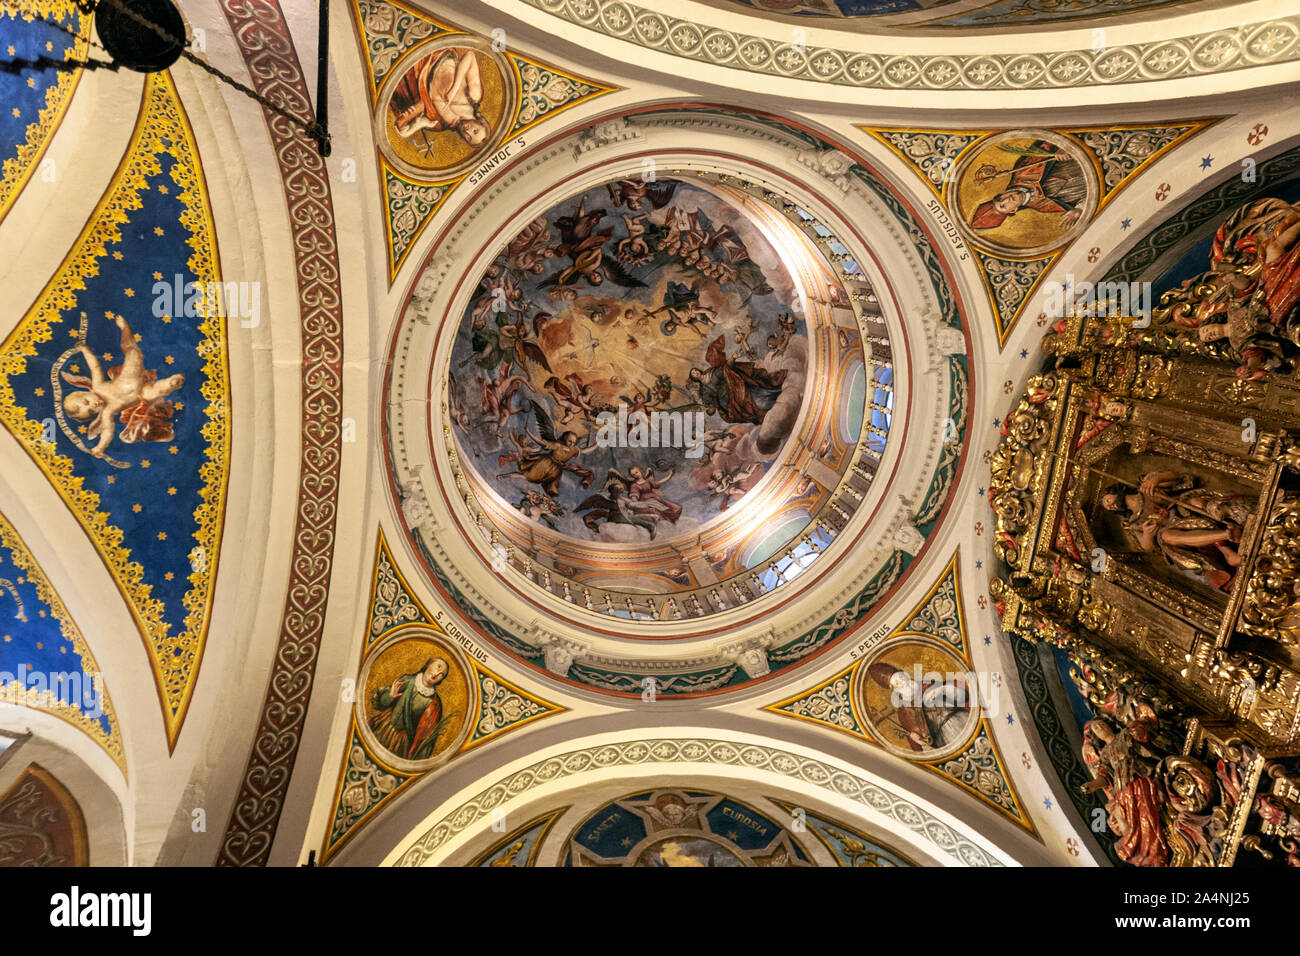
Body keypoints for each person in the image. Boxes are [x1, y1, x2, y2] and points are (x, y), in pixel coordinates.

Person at [1100, 470, 1251, 590]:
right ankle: (1228, 541)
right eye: (1108, 508)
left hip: (1180, 507)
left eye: (1108, 501)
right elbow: (1146, 546)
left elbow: (1176, 478)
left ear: (1116, 491)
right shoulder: (1132, 522)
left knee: (1196, 503)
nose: (1110, 506)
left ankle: (1233, 518)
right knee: (1167, 537)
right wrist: (1147, 534)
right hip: (1170, 529)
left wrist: (1157, 479)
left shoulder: (1144, 486)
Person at [61, 314, 184, 457]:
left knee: (132, 351)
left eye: (86, 402)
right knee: (154, 392)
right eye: (90, 412)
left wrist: (85, 350)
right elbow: (107, 432)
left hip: (129, 375)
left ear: (85, 393)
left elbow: (94, 365)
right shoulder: (107, 412)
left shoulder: (98, 386)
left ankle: (125, 328)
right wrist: (100, 447)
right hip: (141, 393)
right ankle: (171, 383)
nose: (93, 406)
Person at [969, 140, 1087, 234]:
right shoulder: (1043, 207)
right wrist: (1079, 209)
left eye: (1000, 198)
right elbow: (1084, 198)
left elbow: (1048, 141)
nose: (1007, 199)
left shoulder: (1023, 170)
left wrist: (1062, 148)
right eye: (1003, 206)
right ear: (1013, 210)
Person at [389, 48, 491, 149]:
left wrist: (410, 129)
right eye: (475, 131)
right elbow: (470, 56)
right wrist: (454, 89)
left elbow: (421, 111)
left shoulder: (443, 123)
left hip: (417, 75)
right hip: (434, 56)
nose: (468, 132)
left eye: (468, 138)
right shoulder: (474, 97)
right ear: (480, 122)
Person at [866, 662, 970, 753]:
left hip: (963, 722)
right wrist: (918, 740)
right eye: (897, 683)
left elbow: (963, 697)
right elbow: (920, 747)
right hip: (945, 741)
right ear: (894, 689)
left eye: (901, 677)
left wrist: (943, 690)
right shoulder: (904, 713)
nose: (903, 682)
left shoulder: (928, 685)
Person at [369, 657, 455, 761]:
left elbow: (426, 738)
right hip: (383, 726)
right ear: (428, 665)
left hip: (401, 742)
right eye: (438, 667)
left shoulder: (434, 703)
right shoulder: (408, 680)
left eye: (442, 674)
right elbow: (379, 700)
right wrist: (390, 697)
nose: (437, 674)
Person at [689, 335, 787, 425]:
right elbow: (710, 404)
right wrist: (709, 409)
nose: (695, 372)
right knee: (743, 413)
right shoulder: (704, 390)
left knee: (753, 385)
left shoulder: (711, 372)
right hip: (726, 401)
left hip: (733, 386)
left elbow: (725, 368)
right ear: (694, 378)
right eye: (693, 373)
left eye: (695, 371)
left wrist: (733, 357)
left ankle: (775, 390)